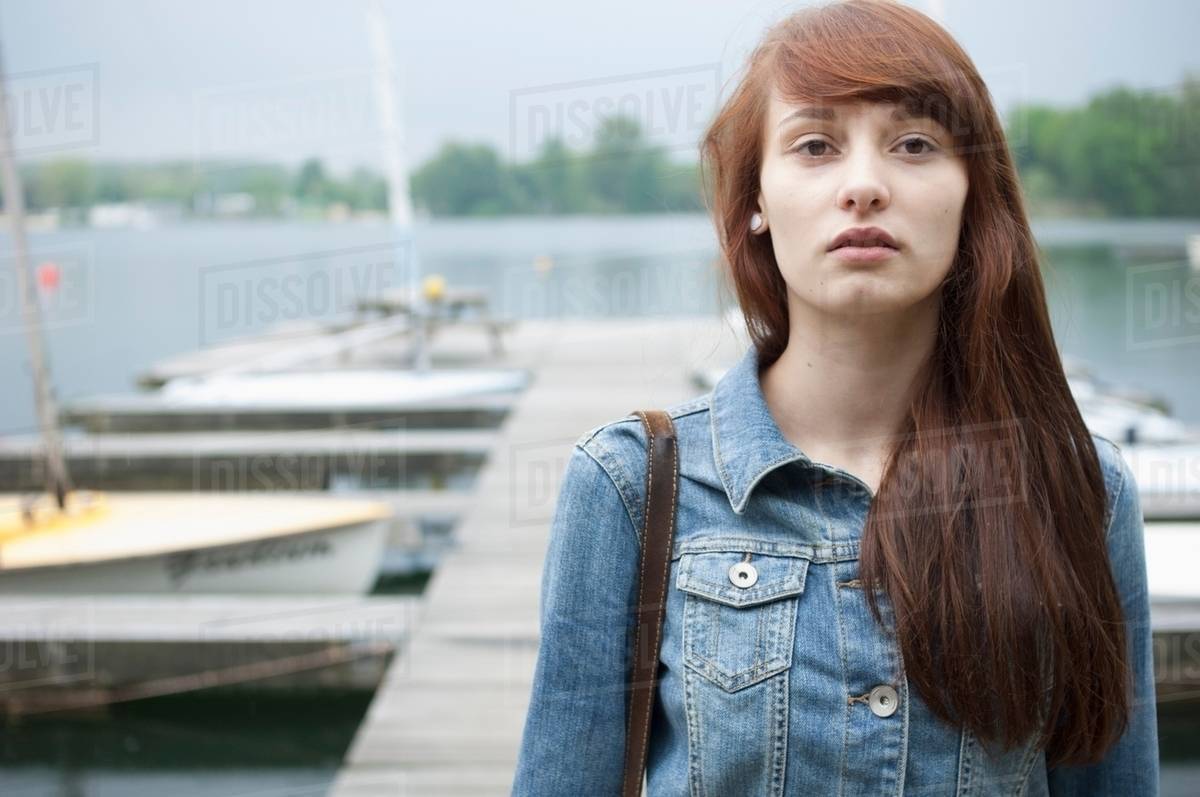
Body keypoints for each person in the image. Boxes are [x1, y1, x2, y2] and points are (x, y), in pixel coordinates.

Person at [510, 1, 1159, 794]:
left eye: (914, 144)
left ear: (971, 193)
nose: (863, 186)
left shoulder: (1081, 489)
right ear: (755, 199)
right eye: (815, 145)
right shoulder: (633, 485)